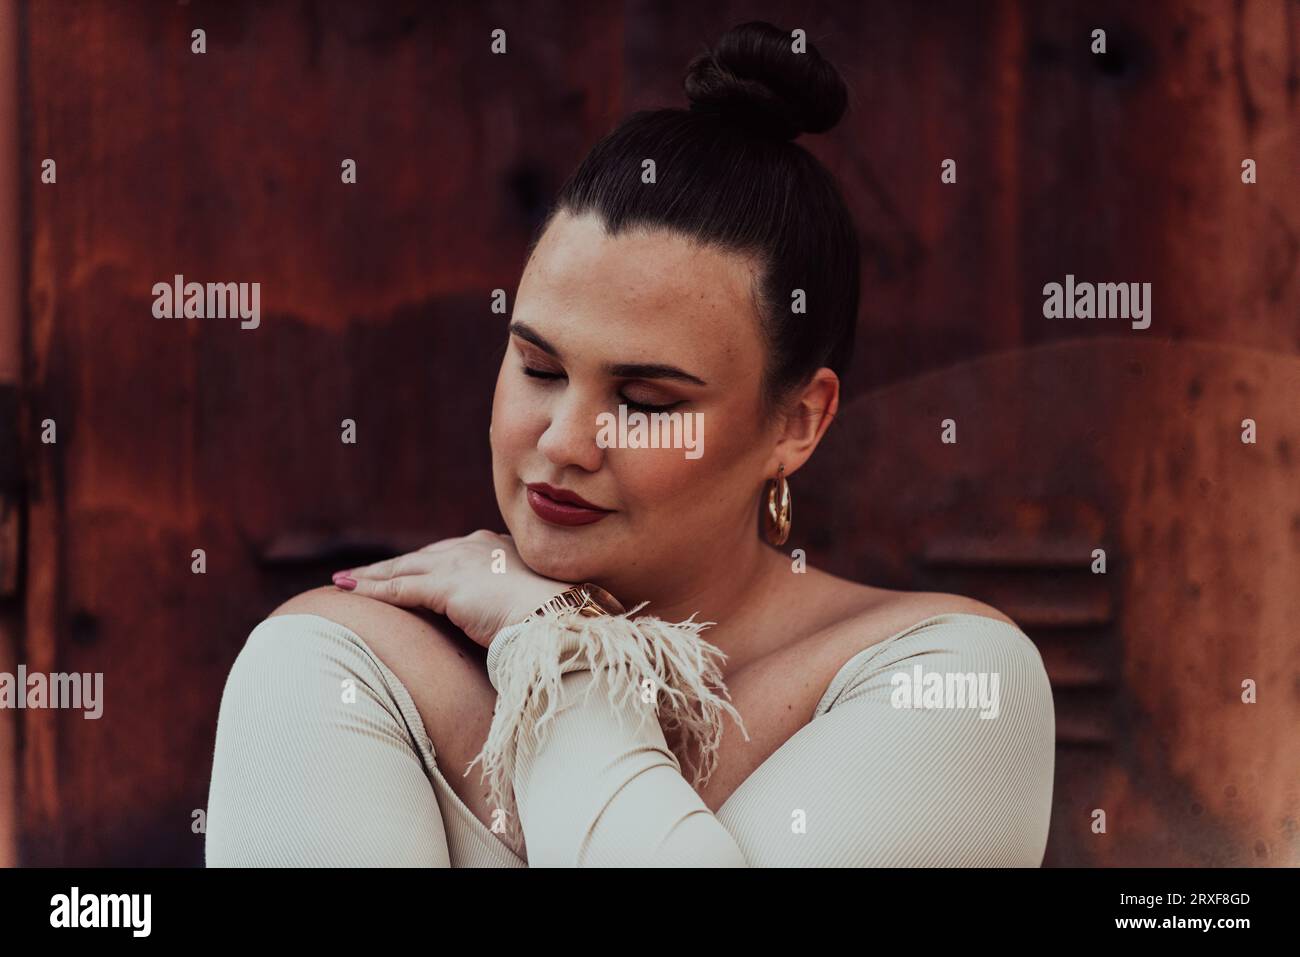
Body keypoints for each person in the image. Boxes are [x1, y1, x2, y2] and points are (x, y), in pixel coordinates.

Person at [205, 20, 1055, 868]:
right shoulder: (341, 663)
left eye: (645, 401)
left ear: (797, 421)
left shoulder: (953, 681)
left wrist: (560, 650)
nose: (567, 441)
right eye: (538, 367)